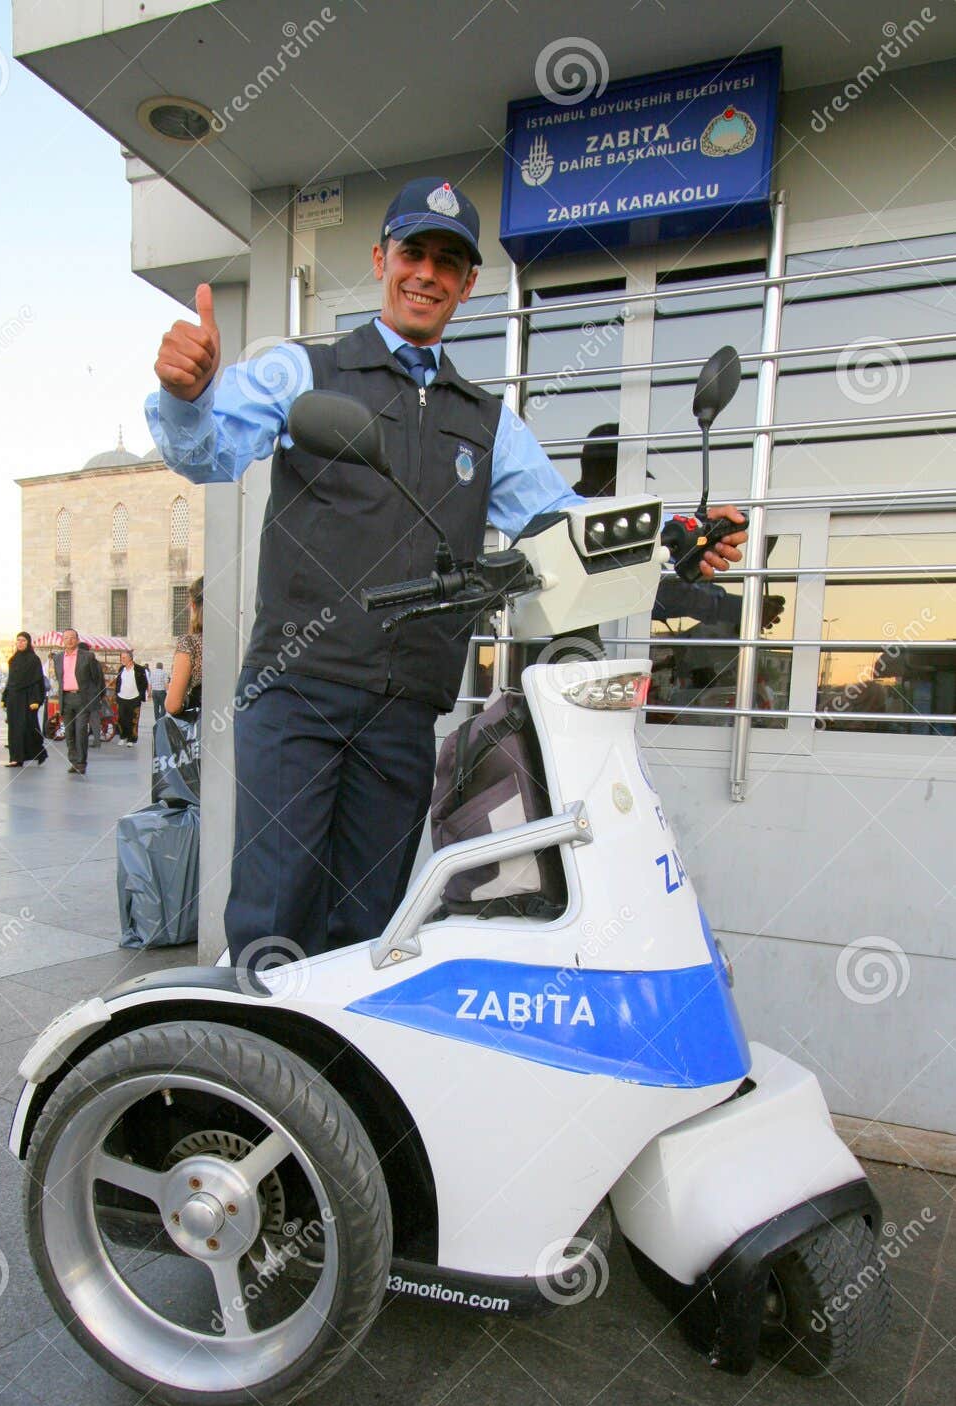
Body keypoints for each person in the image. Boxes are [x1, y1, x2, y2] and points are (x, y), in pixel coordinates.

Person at [146, 177, 745, 963]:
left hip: (403, 710)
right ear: (381, 258)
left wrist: (675, 536)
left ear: (467, 286)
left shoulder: (485, 421)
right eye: (412, 252)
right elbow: (209, 452)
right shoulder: (305, 372)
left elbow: (557, 517)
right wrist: (186, 396)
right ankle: (257, 1076)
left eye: (447, 262)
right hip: (299, 691)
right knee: (275, 912)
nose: (425, 273)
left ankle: (341, 1078)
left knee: (370, 927)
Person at [52, 629, 104, 775]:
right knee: (69, 731)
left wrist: (95, 695)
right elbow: (59, 678)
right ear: (63, 640)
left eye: (72, 638)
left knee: (81, 730)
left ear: (77, 640)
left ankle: (81, 762)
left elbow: (96, 677)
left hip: (82, 698)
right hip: (66, 698)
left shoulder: (87, 656)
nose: (69, 640)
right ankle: (73, 761)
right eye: (66, 638)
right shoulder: (58, 658)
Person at [3, 632, 48, 767]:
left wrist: (35, 700)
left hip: (28, 699)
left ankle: (39, 753)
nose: (20, 643)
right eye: (18, 641)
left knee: (28, 727)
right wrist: (5, 696)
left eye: (23, 640)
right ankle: (16, 758)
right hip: (14, 699)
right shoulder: (13, 659)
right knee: (14, 729)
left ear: (28, 643)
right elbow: (10, 680)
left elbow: (37, 680)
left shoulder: (33, 660)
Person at [164, 580, 203, 716]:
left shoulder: (190, 643)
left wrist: (186, 703)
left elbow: (173, 705)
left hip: (206, 727)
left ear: (193, 606)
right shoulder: (242, 641)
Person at [114, 649, 149, 744]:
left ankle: (132, 739)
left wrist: (140, 695)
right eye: (121, 657)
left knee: (133, 719)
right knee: (121, 718)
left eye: (124, 657)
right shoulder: (121, 669)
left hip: (134, 698)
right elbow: (118, 682)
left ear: (130, 658)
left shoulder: (139, 669)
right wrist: (116, 693)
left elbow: (144, 683)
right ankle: (123, 736)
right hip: (122, 697)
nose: (122, 659)